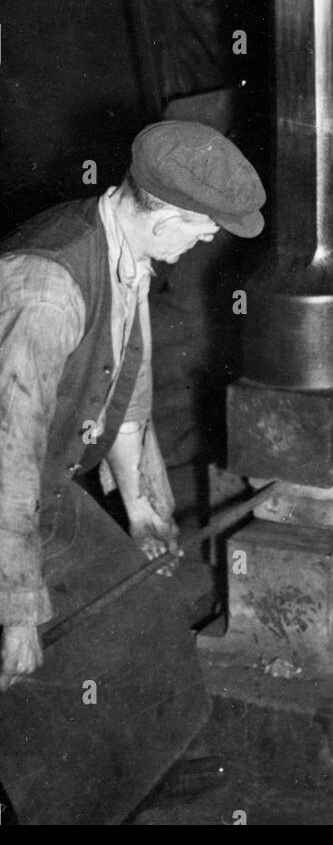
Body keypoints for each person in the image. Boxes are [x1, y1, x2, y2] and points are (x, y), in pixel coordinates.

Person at [0, 120, 264, 691]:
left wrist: (141, 508)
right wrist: (17, 610)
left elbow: (127, 389)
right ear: (168, 217)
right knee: (31, 671)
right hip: (10, 492)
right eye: (203, 233)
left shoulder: (125, 248)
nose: (204, 244)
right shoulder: (47, 288)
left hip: (49, 485)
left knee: (133, 620)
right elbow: (8, 455)